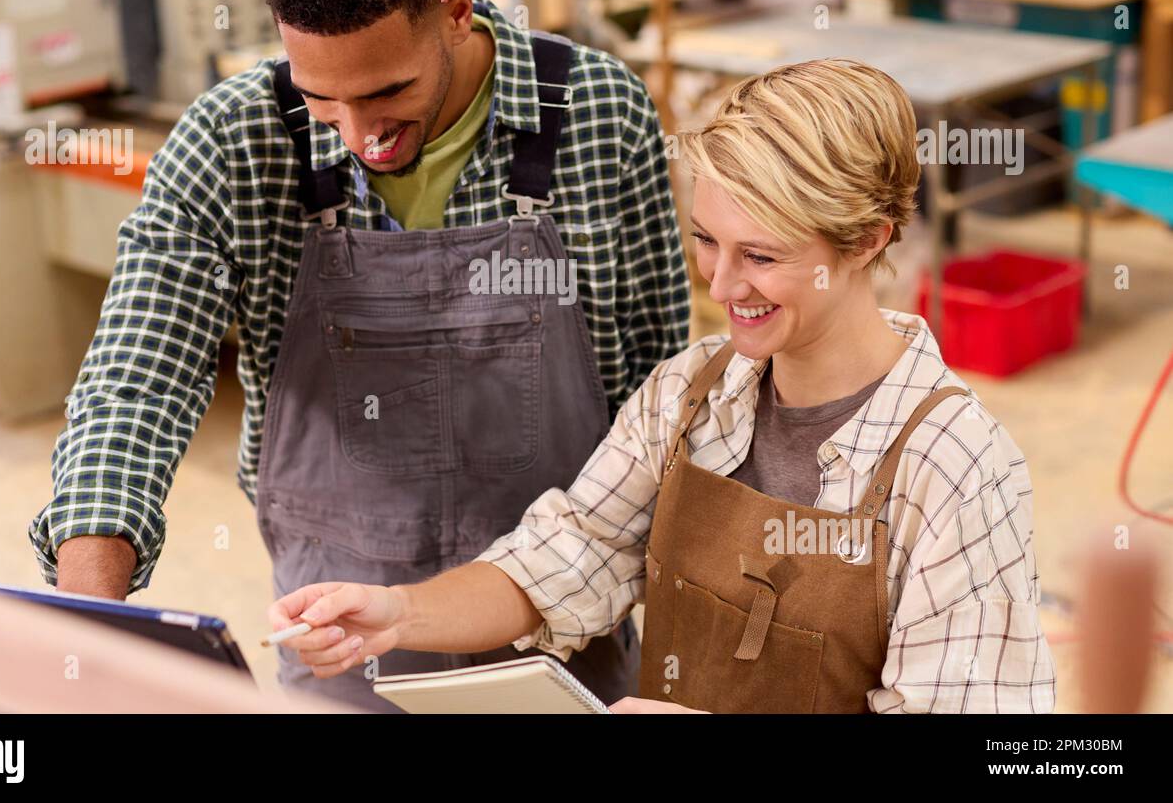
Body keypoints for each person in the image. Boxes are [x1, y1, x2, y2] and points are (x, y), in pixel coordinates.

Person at [28, 0, 690, 712]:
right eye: (321, 100)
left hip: (559, 636)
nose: (359, 134)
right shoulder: (233, 139)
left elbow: (662, 400)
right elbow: (135, 381)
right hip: (340, 641)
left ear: (457, 11)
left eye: (387, 93)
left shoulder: (597, 112)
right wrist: (89, 616)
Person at [269, 58, 1056, 713]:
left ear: (867, 240)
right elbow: (569, 556)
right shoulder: (691, 393)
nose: (720, 283)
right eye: (707, 240)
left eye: (763, 255)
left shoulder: (952, 467)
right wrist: (398, 614)